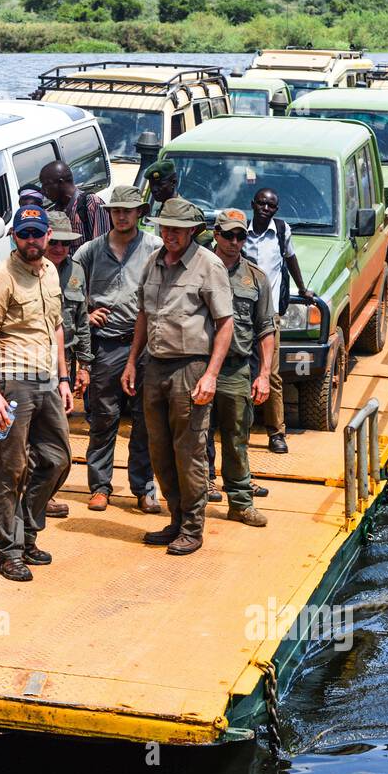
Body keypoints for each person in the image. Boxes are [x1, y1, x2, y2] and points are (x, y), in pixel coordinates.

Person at [122, 197, 233, 557]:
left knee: (189, 451)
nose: (169, 234)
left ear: (192, 232)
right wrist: (131, 362)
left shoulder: (208, 265)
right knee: (159, 449)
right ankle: (175, 518)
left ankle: (192, 527)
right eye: (165, 227)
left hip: (191, 367)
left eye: (177, 229)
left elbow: (225, 323)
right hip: (155, 365)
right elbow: (143, 314)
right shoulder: (154, 262)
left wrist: (211, 375)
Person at [0, 206, 74, 582]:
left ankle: (27, 530)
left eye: (37, 233)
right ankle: (9, 551)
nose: (31, 241)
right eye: (24, 234)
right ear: (14, 237)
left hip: (47, 380)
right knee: (10, 468)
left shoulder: (49, 271)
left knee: (57, 458)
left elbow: (57, 328)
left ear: (49, 235)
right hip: (12, 381)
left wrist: (64, 379)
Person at [73, 185, 161, 514]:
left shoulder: (155, 248)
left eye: (128, 209)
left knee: (145, 419)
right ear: (109, 213)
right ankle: (99, 486)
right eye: (116, 210)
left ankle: (143, 487)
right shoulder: (90, 251)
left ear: (139, 211)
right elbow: (70, 291)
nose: (122, 215)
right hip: (105, 345)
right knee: (103, 418)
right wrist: (86, 312)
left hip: (144, 348)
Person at [205, 210, 274, 527]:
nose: (235, 242)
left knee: (236, 437)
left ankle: (240, 502)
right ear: (216, 234)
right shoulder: (199, 268)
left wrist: (263, 375)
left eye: (241, 236)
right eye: (229, 235)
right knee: (194, 436)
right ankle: (195, 499)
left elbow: (266, 329)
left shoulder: (256, 278)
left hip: (235, 368)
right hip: (198, 365)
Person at [32, 210, 91, 520]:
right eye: (56, 243)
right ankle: (29, 496)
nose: (60, 250)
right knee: (33, 435)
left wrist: (84, 366)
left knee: (56, 438)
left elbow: (82, 322)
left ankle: (46, 493)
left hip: (63, 365)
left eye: (66, 245)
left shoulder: (77, 272)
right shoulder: (27, 271)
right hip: (31, 363)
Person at [244, 188, 311, 455]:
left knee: (270, 374)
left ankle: (276, 432)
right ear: (253, 204)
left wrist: (302, 288)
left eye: (271, 206)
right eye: (261, 203)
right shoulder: (239, 231)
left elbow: (291, 259)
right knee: (239, 372)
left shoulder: (281, 231)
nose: (265, 209)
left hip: (268, 316)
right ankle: (239, 429)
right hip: (241, 314)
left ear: (276, 210)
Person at [142, 160, 212, 248]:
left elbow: (204, 246)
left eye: (160, 184)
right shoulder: (159, 209)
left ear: (173, 182)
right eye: (152, 185)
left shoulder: (190, 212)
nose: (154, 189)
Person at [39, 160, 109, 245]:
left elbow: (100, 248)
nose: (42, 191)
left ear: (61, 183)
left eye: (45, 185)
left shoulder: (90, 203)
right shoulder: (55, 210)